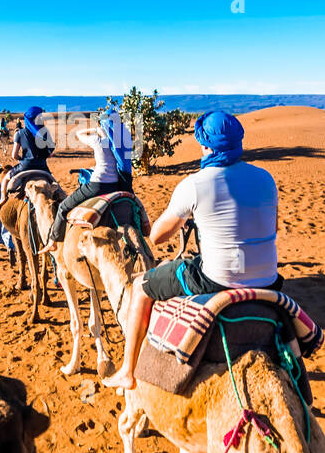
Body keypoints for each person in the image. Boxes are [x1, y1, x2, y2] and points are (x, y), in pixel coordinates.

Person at [102, 110, 280, 390]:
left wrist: (187, 214)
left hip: (217, 278)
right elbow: (273, 228)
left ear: (205, 145)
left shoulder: (195, 184)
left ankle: (127, 370)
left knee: (141, 287)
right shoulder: (266, 178)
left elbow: (158, 237)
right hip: (270, 279)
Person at [42, 109, 133, 249]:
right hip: (116, 185)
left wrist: (97, 129)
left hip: (98, 185)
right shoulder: (123, 141)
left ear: (103, 124)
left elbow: (78, 134)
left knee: (63, 207)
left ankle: (53, 241)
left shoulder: (98, 140)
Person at [1, 105, 53, 200]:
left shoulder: (19, 133)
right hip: (42, 167)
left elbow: (14, 155)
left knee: (6, 179)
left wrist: (22, 159)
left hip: (25, 166)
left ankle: (2, 199)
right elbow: (50, 152)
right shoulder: (45, 132)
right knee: (55, 187)